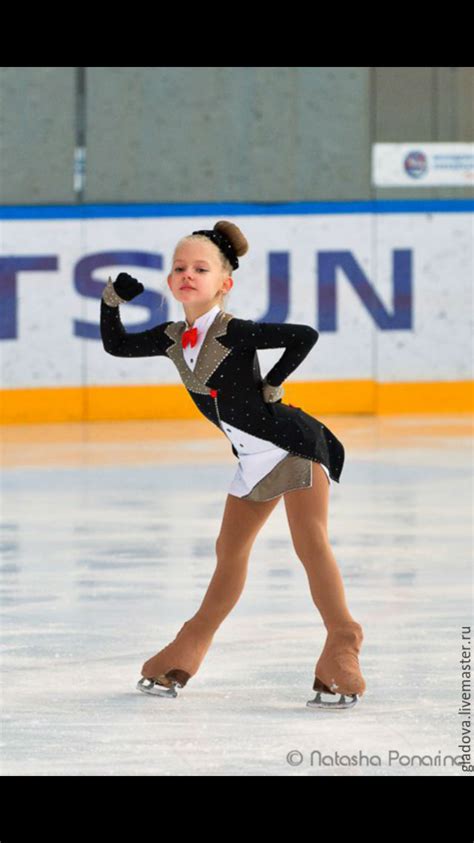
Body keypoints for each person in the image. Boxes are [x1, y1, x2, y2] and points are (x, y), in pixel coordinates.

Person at [100, 220, 366, 709]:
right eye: (179, 267)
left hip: (292, 444)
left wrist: (274, 382)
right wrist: (111, 300)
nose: (186, 274)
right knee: (229, 551)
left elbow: (303, 335)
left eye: (200, 268)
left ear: (225, 282)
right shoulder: (172, 336)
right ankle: (188, 647)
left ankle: (342, 641)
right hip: (250, 460)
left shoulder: (235, 331)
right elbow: (115, 344)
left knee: (310, 542)